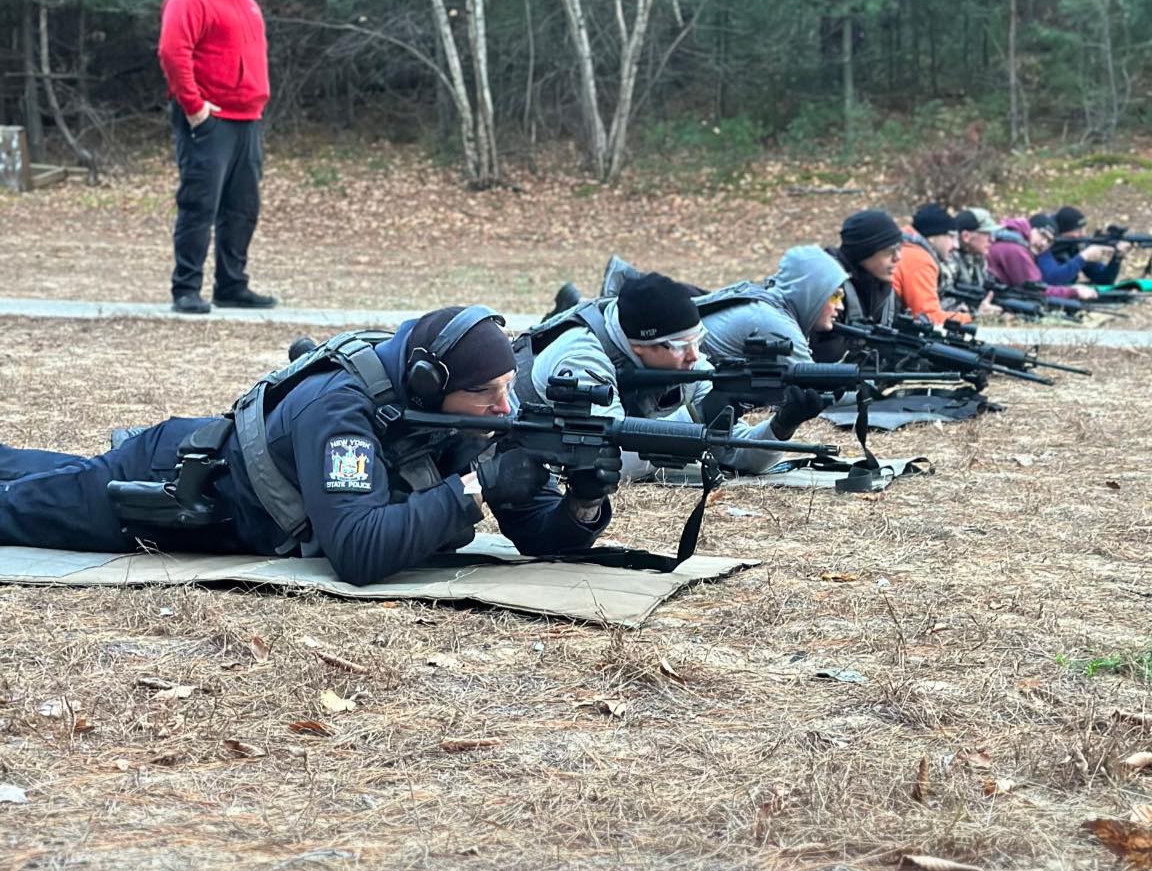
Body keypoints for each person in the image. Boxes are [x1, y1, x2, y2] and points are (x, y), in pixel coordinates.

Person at [0, 309, 613, 585]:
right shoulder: (341, 410)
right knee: (22, 510)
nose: (504, 409)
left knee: (42, 476)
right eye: (488, 393)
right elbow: (357, 551)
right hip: (174, 486)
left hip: (200, 475)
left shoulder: (464, 414)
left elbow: (537, 535)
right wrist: (474, 492)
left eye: (508, 390)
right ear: (431, 383)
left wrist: (580, 505)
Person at [515, 271, 771, 479]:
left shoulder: (688, 365)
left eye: (698, 340)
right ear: (639, 347)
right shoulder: (582, 357)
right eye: (681, 347)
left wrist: (782, 425)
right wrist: (698, 416)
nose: (695, 356)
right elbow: (607, 462)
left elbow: (739, 454)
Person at [157, 0, 276, 315]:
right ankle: (186, 288)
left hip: (247, 119)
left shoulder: (245, 0)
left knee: (242, 207)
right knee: (199, 204)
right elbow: (174, 53)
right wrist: (195, 108)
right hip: (210, 120)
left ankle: (231, 284)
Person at [693, 244, 846, 448]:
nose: (840, 306)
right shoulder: (776, 324)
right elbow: (815, 388)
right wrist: (867, 384)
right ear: (812, 292)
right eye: (835, 296)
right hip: (684, 389)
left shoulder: (766, 304)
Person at [891, 203, 973, 327]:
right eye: (950, 237)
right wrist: (971, 317)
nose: (956, 246)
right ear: (932, 237)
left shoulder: (906, 248)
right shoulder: (919, 259)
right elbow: (929, 318)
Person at [987, 215, 1098, 301]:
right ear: (1030, 228)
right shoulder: (1016, 250)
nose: (1043, 243)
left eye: (1049, 241)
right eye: (1042, 235)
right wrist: (1074, 292)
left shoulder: (1009, 238)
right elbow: (1036, 291)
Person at [1036, 205, 1127, 287]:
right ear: (1062, 232)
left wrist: (1116, 258)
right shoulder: (1042, 245)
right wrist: (1083, 258)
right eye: (1078, 230)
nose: (1083, 234)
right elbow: (1052, 280)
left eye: (1084, 229)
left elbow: (1104, 280)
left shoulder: (1076, 245)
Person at [950, 207, 997, 291]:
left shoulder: (978, 257)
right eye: (986, 233)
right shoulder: (948, 261)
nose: (992, 239)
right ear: (966, 236)